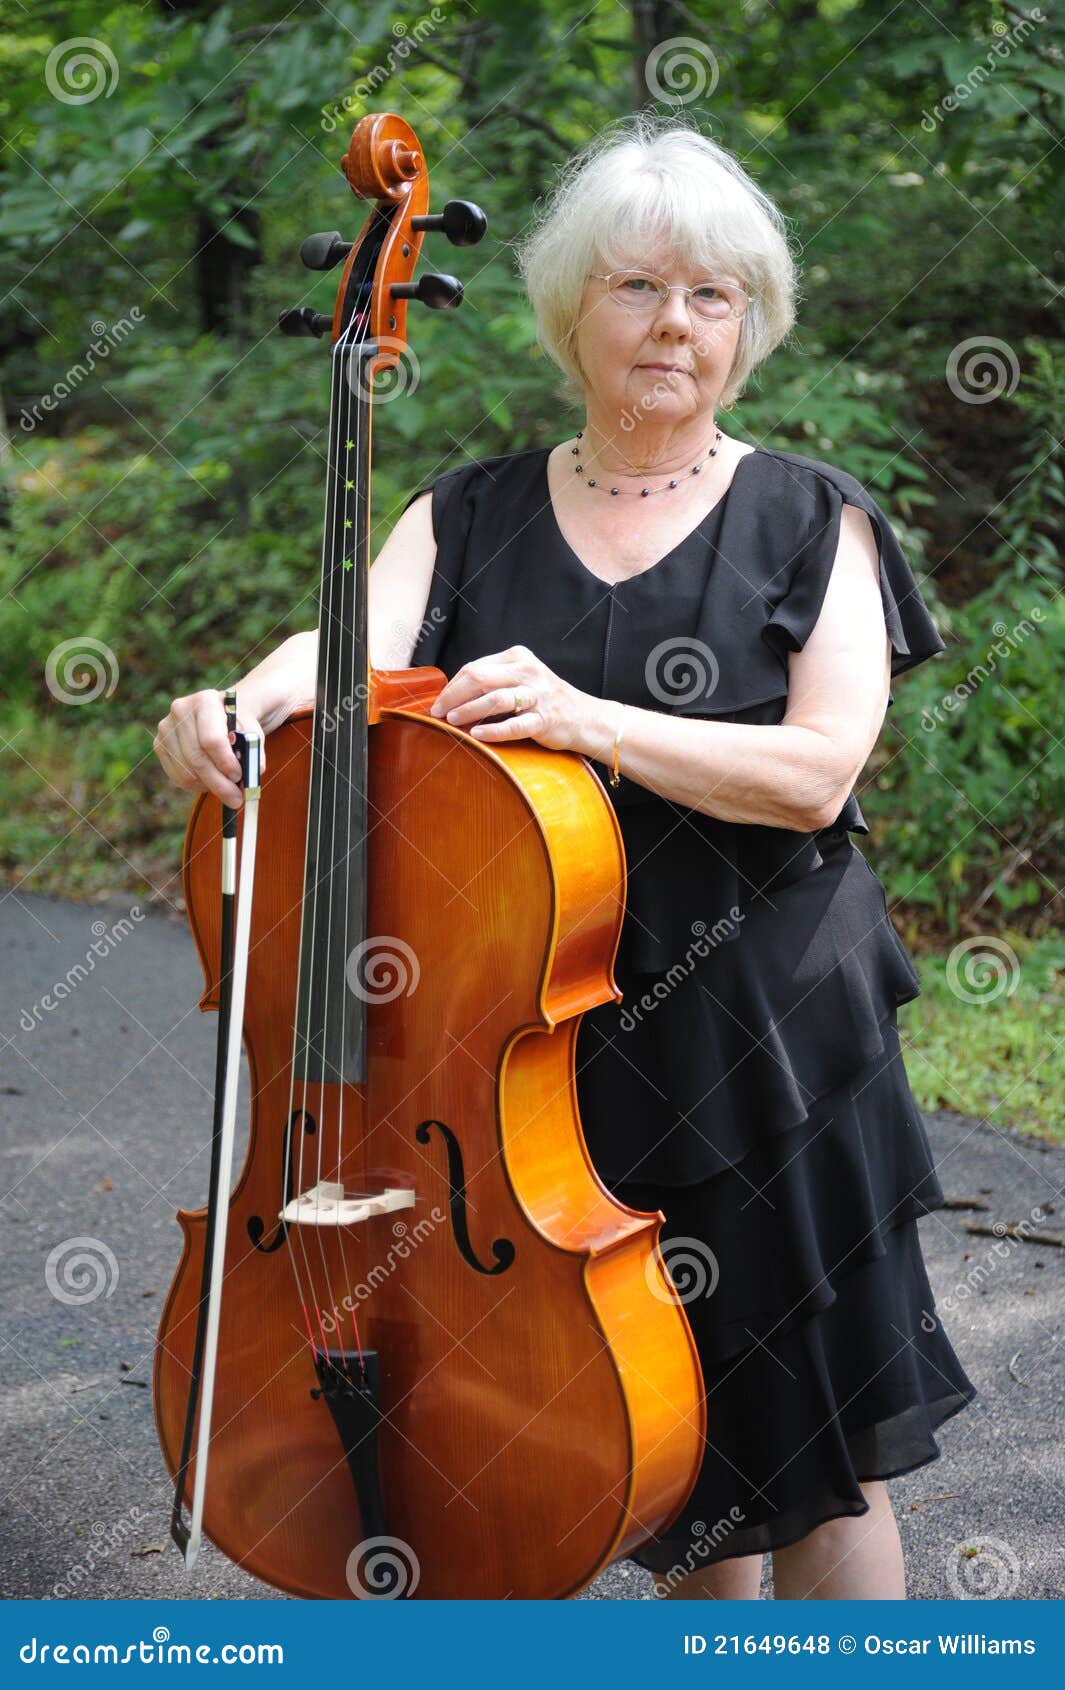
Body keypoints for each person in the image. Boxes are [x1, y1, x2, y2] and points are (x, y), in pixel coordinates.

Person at [154, 114, 977, 1600]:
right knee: (666, 1461)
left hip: (764, 1031)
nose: (673, 324)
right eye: (636, 288)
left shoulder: (808, 516)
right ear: (568, 311)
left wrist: (590, 718)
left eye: (710, 296)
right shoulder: (462, 511)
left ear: (750, 326)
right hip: (536, 1047)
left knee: (814, 1459)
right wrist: (235, 705)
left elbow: (815, 776)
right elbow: (342, 647)